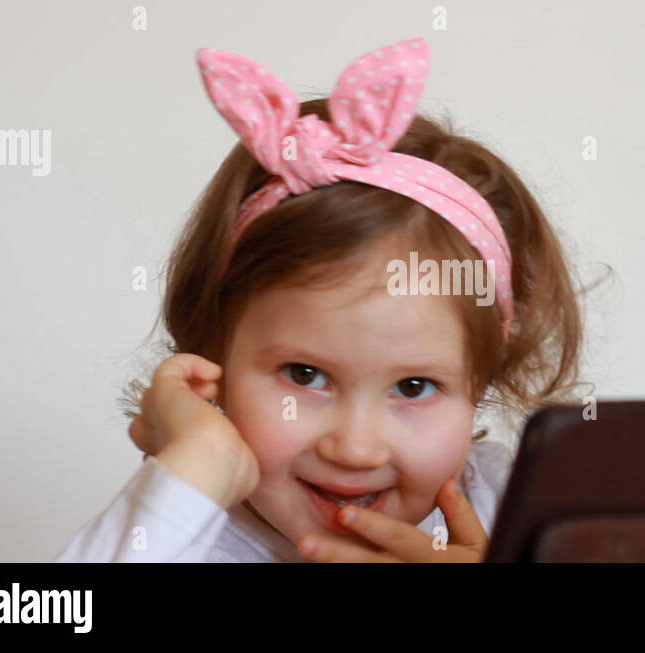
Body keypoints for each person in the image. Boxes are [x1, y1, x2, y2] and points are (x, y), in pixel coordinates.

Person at [53, 36, 586, 563]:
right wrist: (197, 464)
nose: (354, 449)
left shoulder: (505, 509)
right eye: (304, 375)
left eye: (414, 386)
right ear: (215, 357)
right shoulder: (177, 529)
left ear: (483, 376)